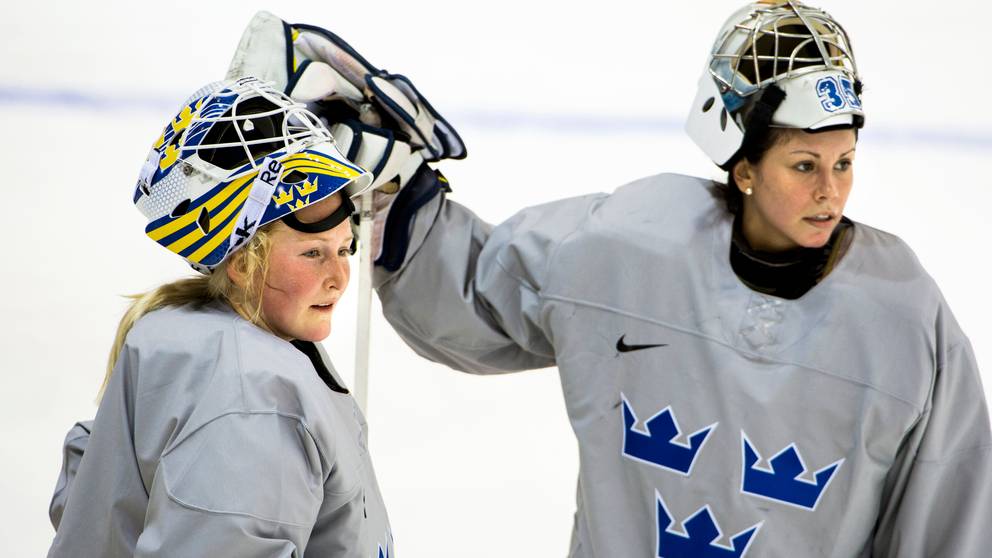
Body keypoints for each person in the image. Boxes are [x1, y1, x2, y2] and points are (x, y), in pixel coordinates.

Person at [236, 2, 992, 555]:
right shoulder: (633, 247)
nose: (831, 191)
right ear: (743, 167)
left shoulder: (904, 314)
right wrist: (401, 202)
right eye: (804, 165)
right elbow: (479, 295)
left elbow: (951, 515)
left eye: (845, 163)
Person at [47, 77, 395, 557]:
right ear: (242, 262)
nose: (339, 277)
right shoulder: (252, 402)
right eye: (313, 253)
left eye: (344, 249)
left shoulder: (187, 333)